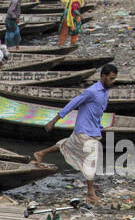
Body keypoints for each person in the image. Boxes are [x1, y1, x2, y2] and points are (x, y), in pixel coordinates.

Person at [33, 64, 118, 204]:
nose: (113, 81)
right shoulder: (91, 91)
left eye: (114, 79)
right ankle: (91, 194)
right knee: (91, 159)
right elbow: (73, 104)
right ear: (103, 76)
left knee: (68, 144)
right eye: (111, 78)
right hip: (84, 131)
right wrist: (54, 121)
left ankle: (41, 153)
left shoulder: (105, 92)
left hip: (92, 129)